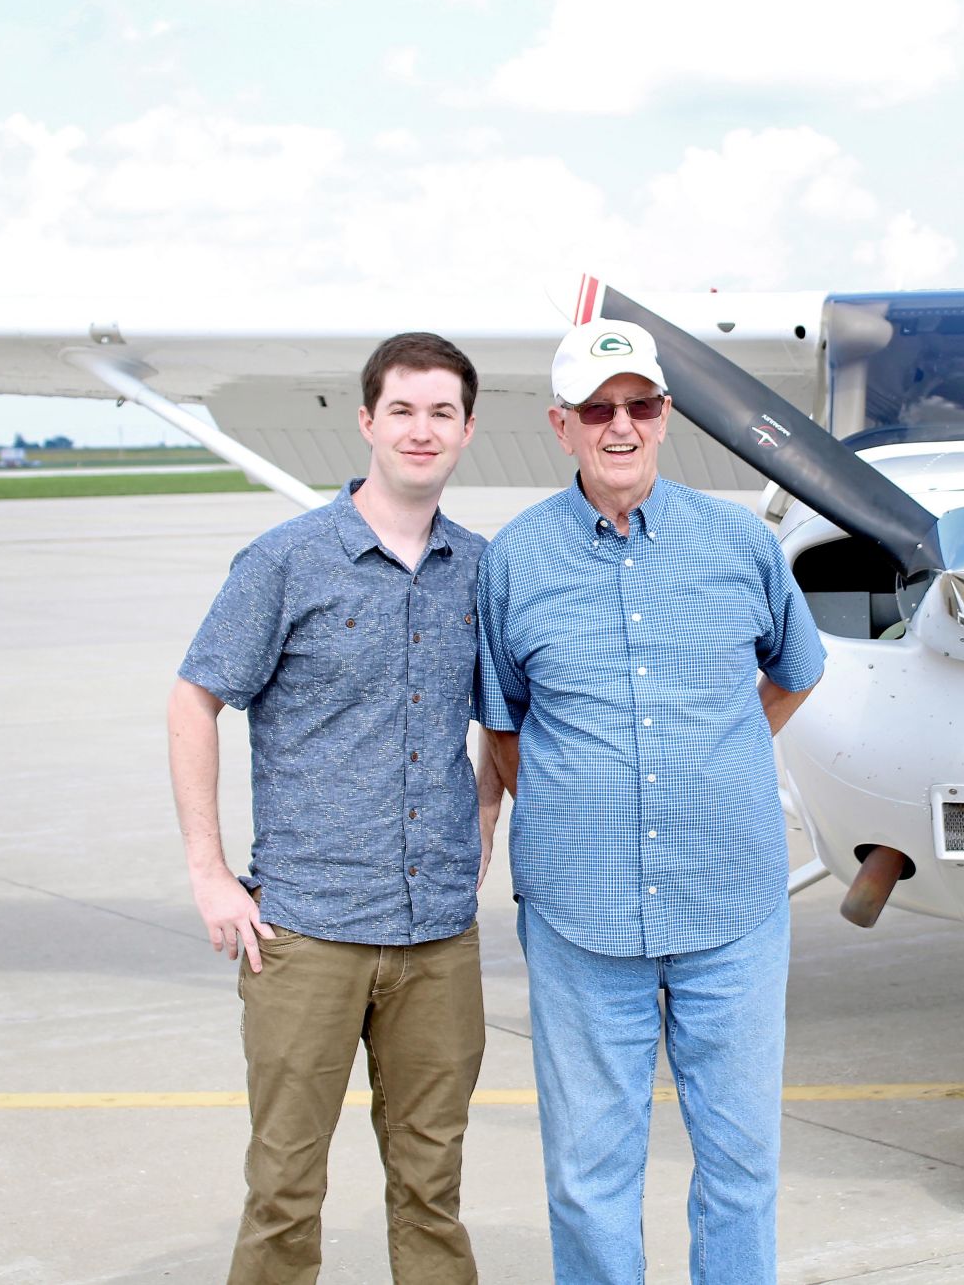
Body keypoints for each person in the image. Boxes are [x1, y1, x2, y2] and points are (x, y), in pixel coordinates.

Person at [475, 318, 825, 1284]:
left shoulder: (738, 543)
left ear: (666, 414)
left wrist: (719, 749)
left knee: (741, 1167)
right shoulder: (515, 561)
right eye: (597, 408)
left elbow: (796, 669)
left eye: (639, 404)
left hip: (734, 908)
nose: (618, 425)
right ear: (562, 425)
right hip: (580, 919)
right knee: (589, 1177)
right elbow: (504, 726)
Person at [168, 332, 490, 1285]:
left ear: (467, 430)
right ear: (366, 421)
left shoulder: (480, 570)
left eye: (442, 412)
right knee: (283, 1190)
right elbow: (195, 698)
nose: (421, 429)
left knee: (433, 1188)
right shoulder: (287, 560)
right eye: (403, 409)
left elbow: (503, 720)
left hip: (438, 939)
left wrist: (482, 822)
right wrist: (209, 870)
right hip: (306, 934)